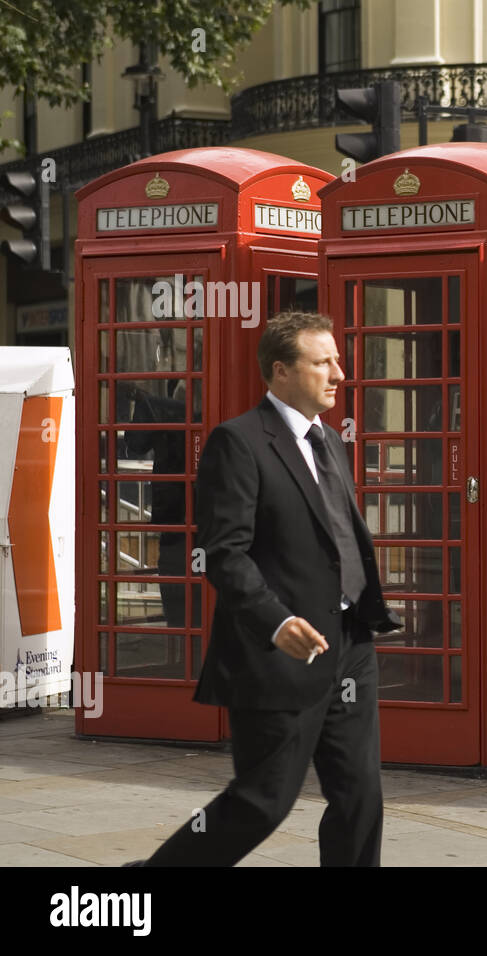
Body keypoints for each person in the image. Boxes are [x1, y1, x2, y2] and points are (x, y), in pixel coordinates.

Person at [137, 311, 399, 867]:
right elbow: (223, 553)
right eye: (322, 362)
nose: (338, 373)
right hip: (279, 653)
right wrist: (276, 622)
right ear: (281, 371)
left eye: (338, 359)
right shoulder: (240, 442)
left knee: (360, 796)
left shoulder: (330, 439)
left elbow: (335, 536)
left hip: (349, 644)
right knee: (263, 800)